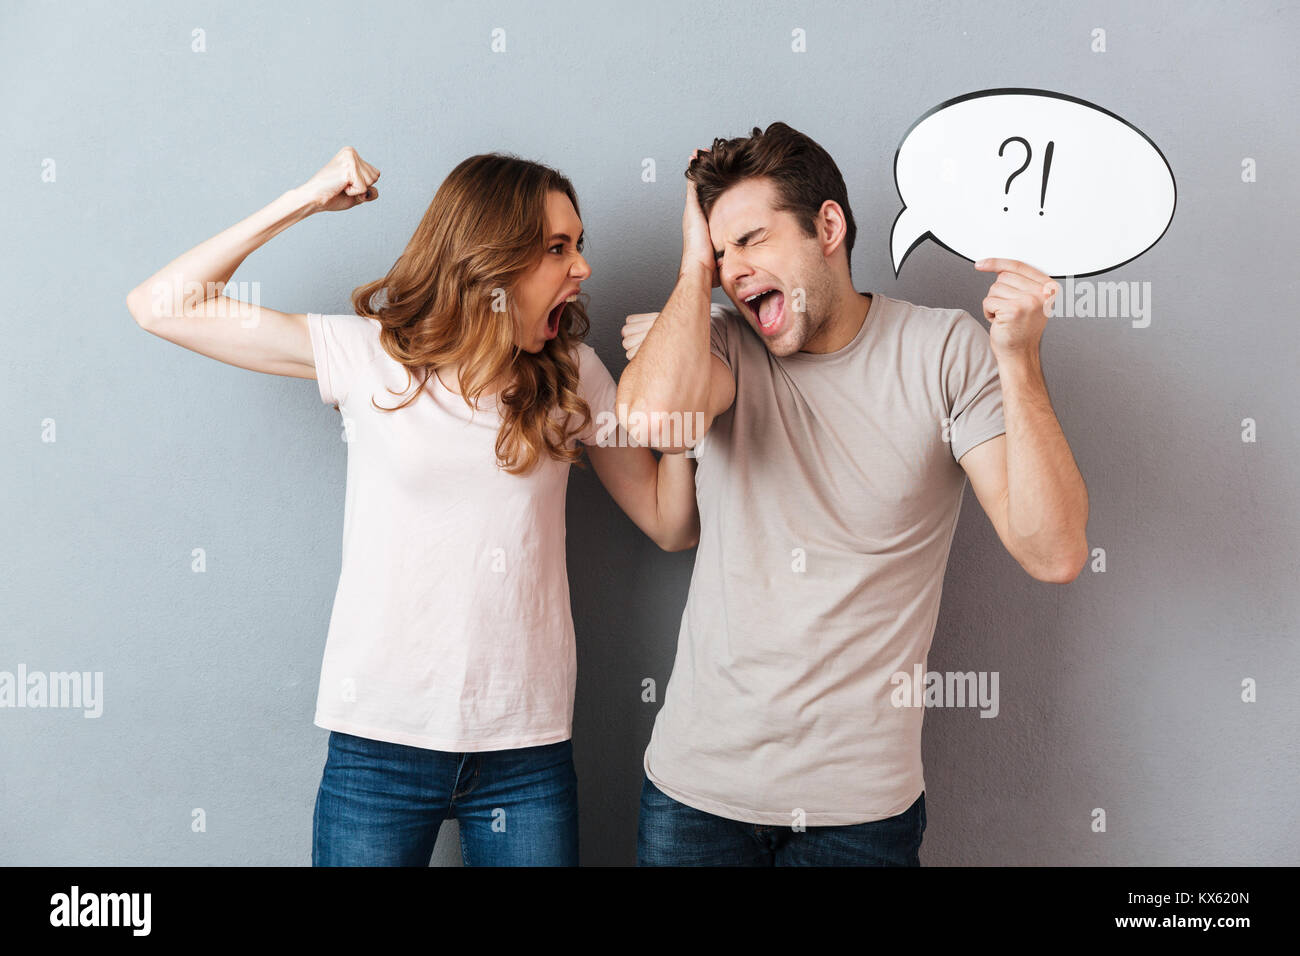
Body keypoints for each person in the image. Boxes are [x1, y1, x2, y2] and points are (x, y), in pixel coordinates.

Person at [126, 146, 699, 866]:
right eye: (557, 248)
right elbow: (159, 305)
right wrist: (302, 199)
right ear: (490, 257)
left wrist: (683, 404)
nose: (581, 267)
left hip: (524, 752)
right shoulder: (371, 356)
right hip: (379, 747)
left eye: (579, 245)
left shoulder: (573, 375)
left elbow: (671, 525)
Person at [617, 123, 1089, 866]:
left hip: (859, 814)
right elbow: (646, 417)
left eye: (752, 239)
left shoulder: (944, 351)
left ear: (827, 227)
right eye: (720, 250)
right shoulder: (722, 344)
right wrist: (690, 268)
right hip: (695, 794)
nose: (734, 270)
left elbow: (1055, 551)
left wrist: (1020, 363)